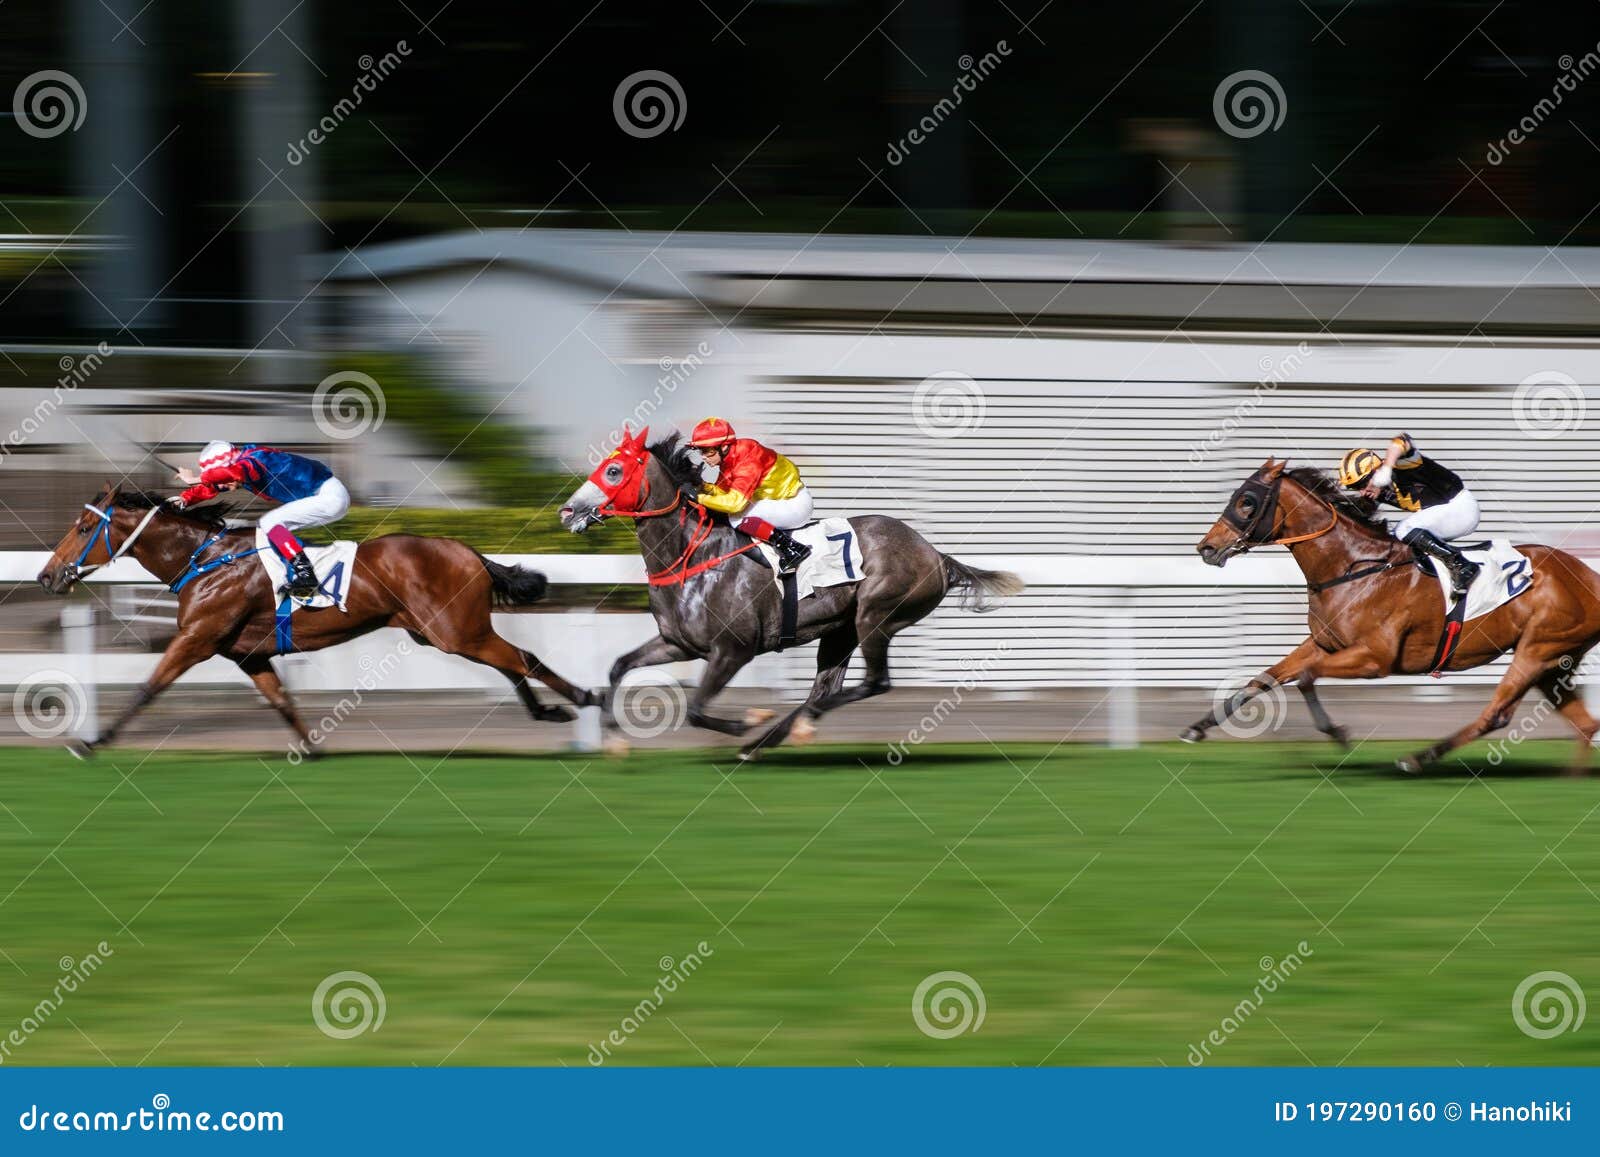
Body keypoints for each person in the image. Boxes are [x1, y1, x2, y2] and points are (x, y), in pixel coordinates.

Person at [172, 441, 350, 597]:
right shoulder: (243, 468)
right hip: (323, 498)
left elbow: (233, 474)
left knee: (270, 522)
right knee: (270, 529)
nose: (225, 487)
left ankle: (306, 574)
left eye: (221, 477)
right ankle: (299, 570)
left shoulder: (257, 459)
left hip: (329, 497)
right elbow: (214, 486)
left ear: (227, 464)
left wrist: (195, 478)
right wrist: (185, 499)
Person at [1338, 434, 1481, 599]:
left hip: (1461, 508)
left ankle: (1461, 566)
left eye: (1362, 483)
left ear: (1376, 470)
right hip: (1448, 511)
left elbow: (1401, 440)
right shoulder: (1377, 493)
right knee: (1397, 539)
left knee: (1404, 528)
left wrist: (1387, 468)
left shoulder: (1403, 465)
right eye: (1356, 487)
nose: (1363, 491)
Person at [687, 417, 814, 573]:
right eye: (701, 450)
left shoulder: (747, 457)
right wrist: (702, 487)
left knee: (736, 517)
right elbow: (723, 493)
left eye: (708, 450)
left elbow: (734, 504)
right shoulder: (728, 460)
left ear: (724, 447)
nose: (703, 456)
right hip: (776, 501)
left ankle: (792, 549)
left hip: (794, 503)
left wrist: (698, 497)